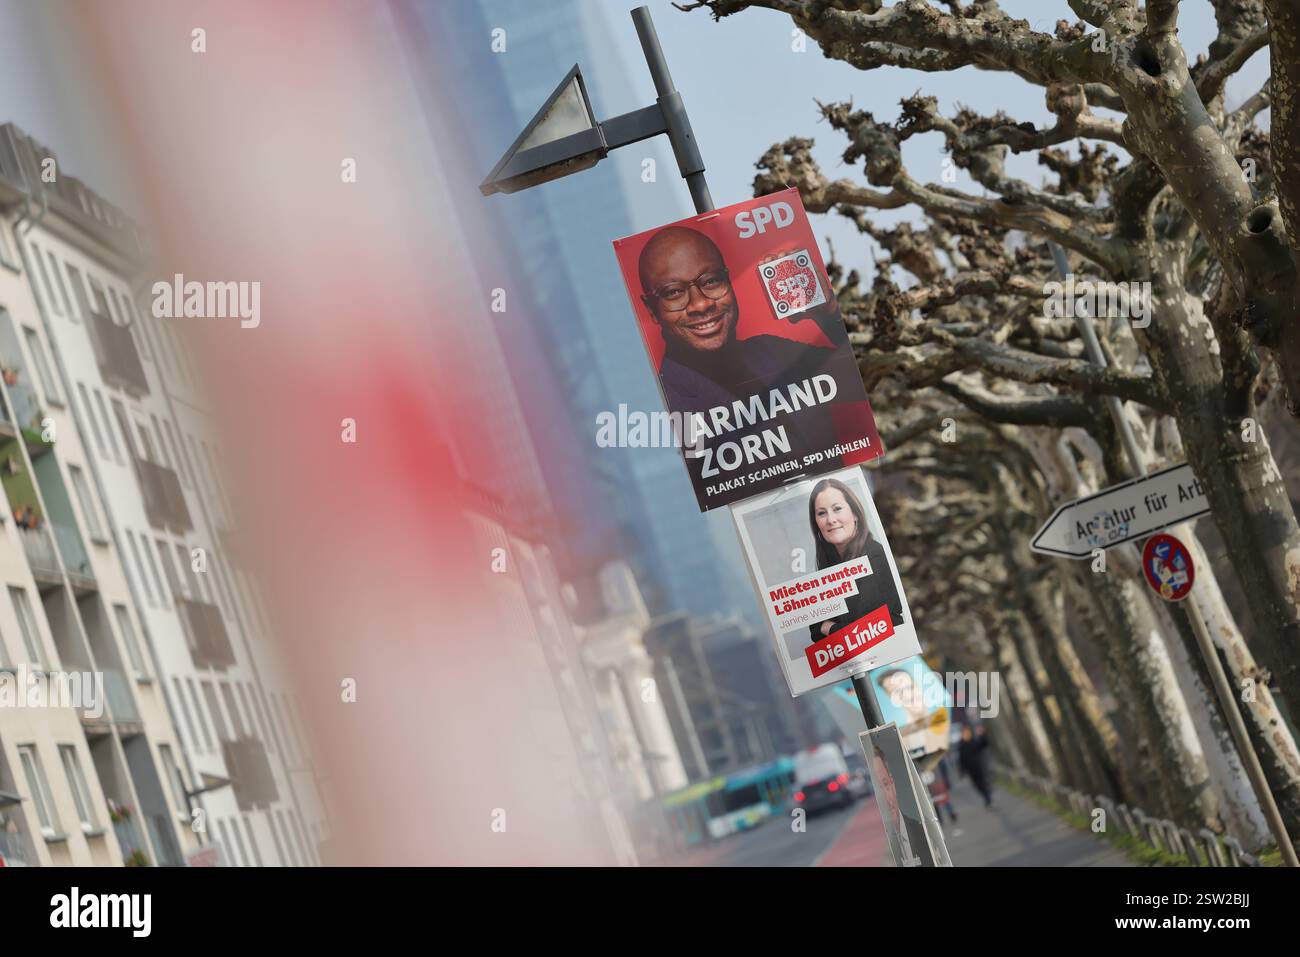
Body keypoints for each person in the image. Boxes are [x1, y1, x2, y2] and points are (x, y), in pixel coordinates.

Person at [636, 227, 858, 463]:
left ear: (728, 281)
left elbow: (864, 378)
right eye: (674, 292)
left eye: (711, 280)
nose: (700, 304)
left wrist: (828, 313)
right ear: (652, 309)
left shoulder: (772, 350)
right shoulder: (662, 408)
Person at [806, 477, 904, 644]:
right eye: (822, 513)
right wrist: (829, 628)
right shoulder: (829, 565)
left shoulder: (874, 555)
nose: (830, 519)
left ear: (855, 514)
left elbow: (871, 628)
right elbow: (815, 631)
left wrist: (828, 628)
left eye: (837, 509)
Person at [957, 724, 994, 807]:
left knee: (983, 783)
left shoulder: (974, 741)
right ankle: (986, 795)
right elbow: (961, 760)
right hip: (971, 770)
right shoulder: (961, 746)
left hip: (980, 767)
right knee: (977, 786)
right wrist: (962, 771)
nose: (966, 735)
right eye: (964, 734)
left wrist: (983, 734)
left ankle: (987, 797)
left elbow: (984, 743)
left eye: (967, 733)